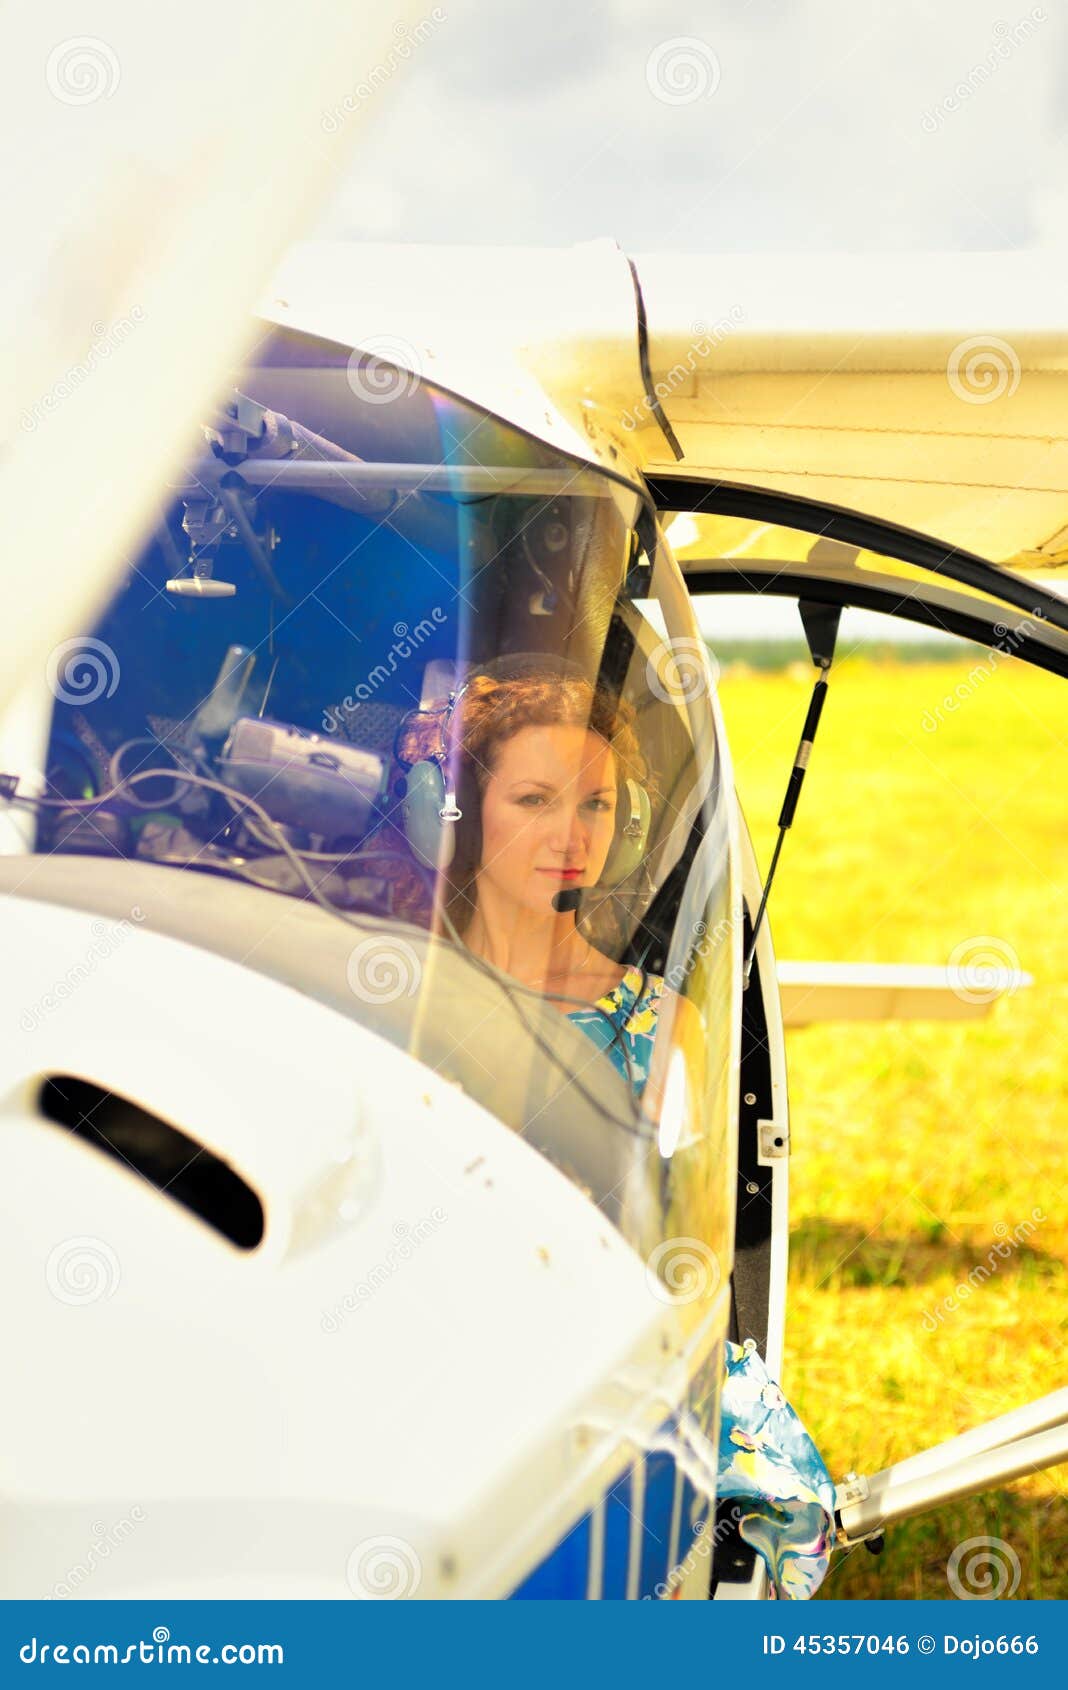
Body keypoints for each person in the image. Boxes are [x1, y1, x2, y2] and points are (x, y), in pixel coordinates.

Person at [403, 658, 838, 1597]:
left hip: (596, 1374)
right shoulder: (394, 990)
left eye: (597, 806)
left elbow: (682, 1255)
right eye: (533, 798)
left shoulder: (665, 1023)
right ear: (456, 812)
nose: (571, 836)